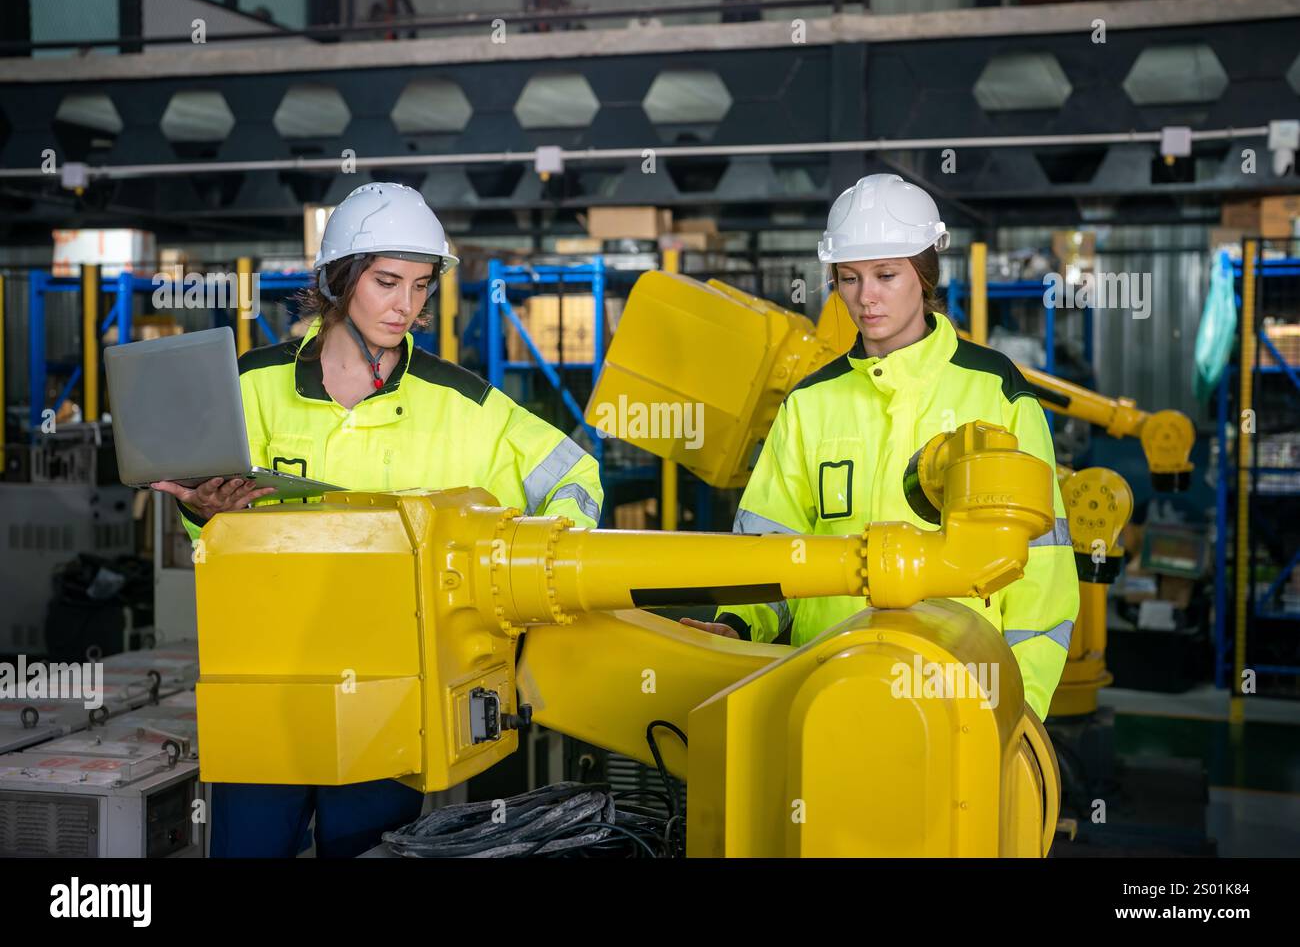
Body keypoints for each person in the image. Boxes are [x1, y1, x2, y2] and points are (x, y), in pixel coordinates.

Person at [153, 182, 603, 856]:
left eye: (421, 286)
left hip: (392, 698)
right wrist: (209, 518)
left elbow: (577, 478)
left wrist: (532, 581)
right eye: (387, 282)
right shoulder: (248, 388)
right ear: (338, 280)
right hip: (262, 687)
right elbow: (204, 526)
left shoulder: (462, 405)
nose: (406, 307)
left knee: (367, 853)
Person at [680, 173, 1078, 721]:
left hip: (958, 704)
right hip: (822, 692)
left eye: (886, 275)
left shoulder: (997, 394)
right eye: (849, 278)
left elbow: (1044, 570)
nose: (865, 298)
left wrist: (1019, 711)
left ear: (924, 273)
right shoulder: (810, 404)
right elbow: (770, 540)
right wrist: (739, 624)